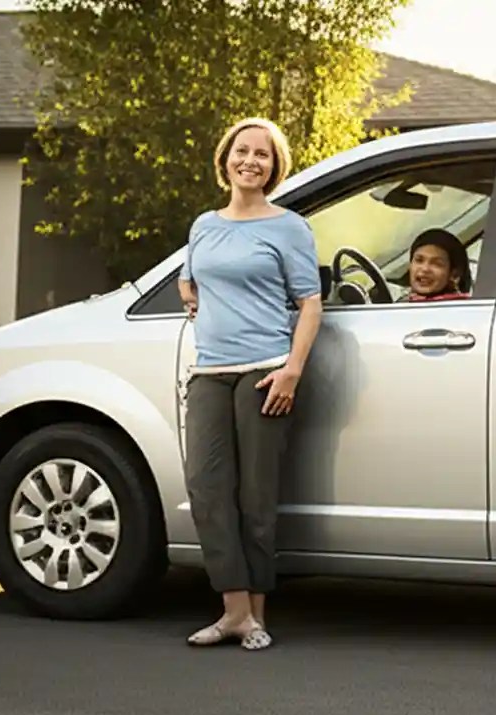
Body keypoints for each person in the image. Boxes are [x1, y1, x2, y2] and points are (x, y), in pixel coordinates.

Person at [178, 117, 323, 651]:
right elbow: (191, 273)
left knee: (256, 498)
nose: (250, 161)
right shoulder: (204, 224)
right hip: (210, 371)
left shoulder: (288, 227)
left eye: (262, 155)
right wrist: (186, 286)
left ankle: (252, 615)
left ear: (273, 166)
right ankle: (235, 610)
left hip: (265, 370)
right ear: (226, 159)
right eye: (242, 151)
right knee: (206, 489)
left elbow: (310, 302)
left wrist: (292, 370)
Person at [399, 228, 472, 302]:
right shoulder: (397, 308)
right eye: (419, 260)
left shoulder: (463, 310)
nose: (425, 269)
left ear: (454, 274)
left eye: (437, 264)